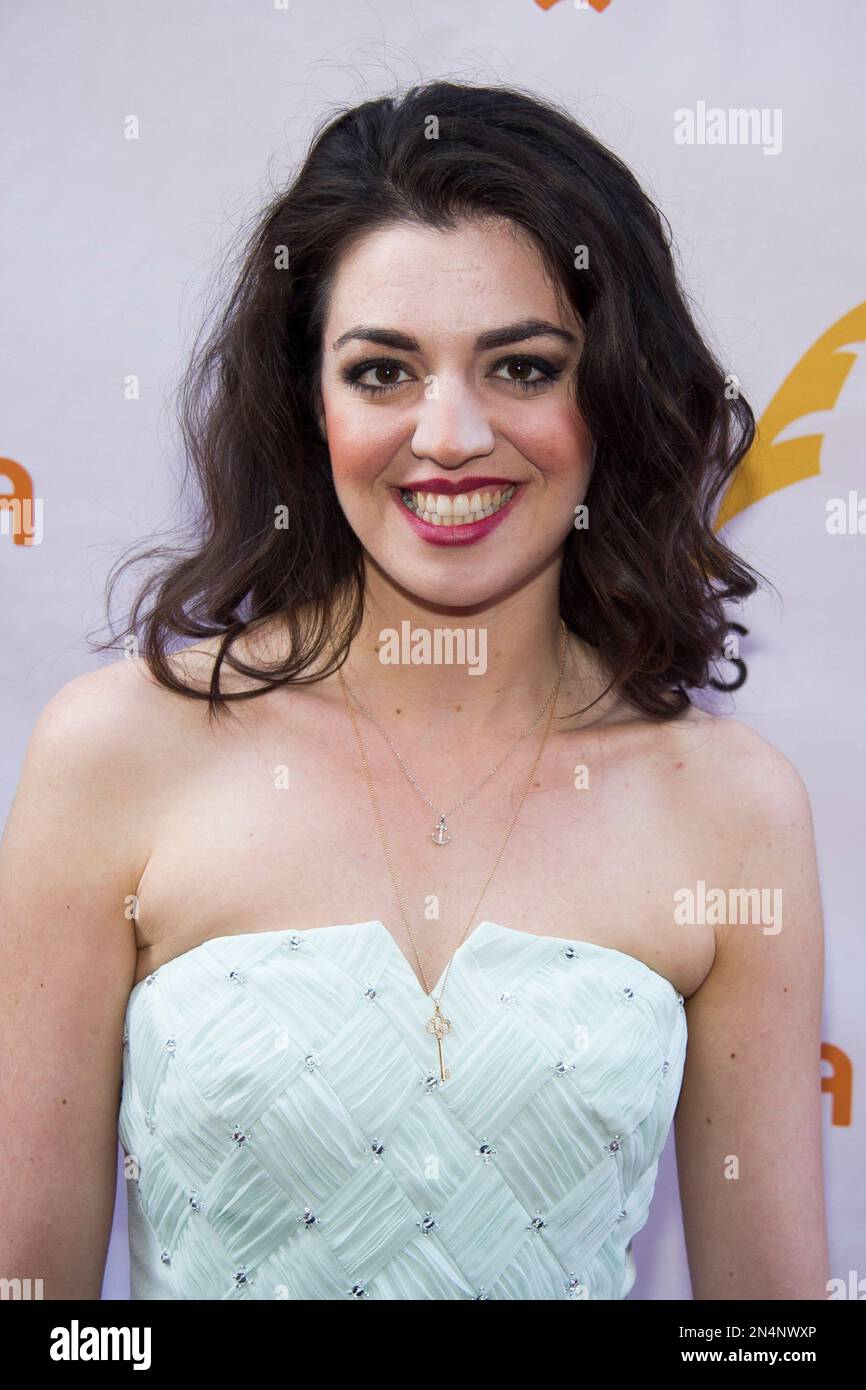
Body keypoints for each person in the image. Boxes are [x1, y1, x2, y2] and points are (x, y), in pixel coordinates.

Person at [0, 80, 829, 1300]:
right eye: (382, 371)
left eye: (522, 366)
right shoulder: (118, 754)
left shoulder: (728, 806)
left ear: (611, 395)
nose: (446, 434)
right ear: (309, 404)